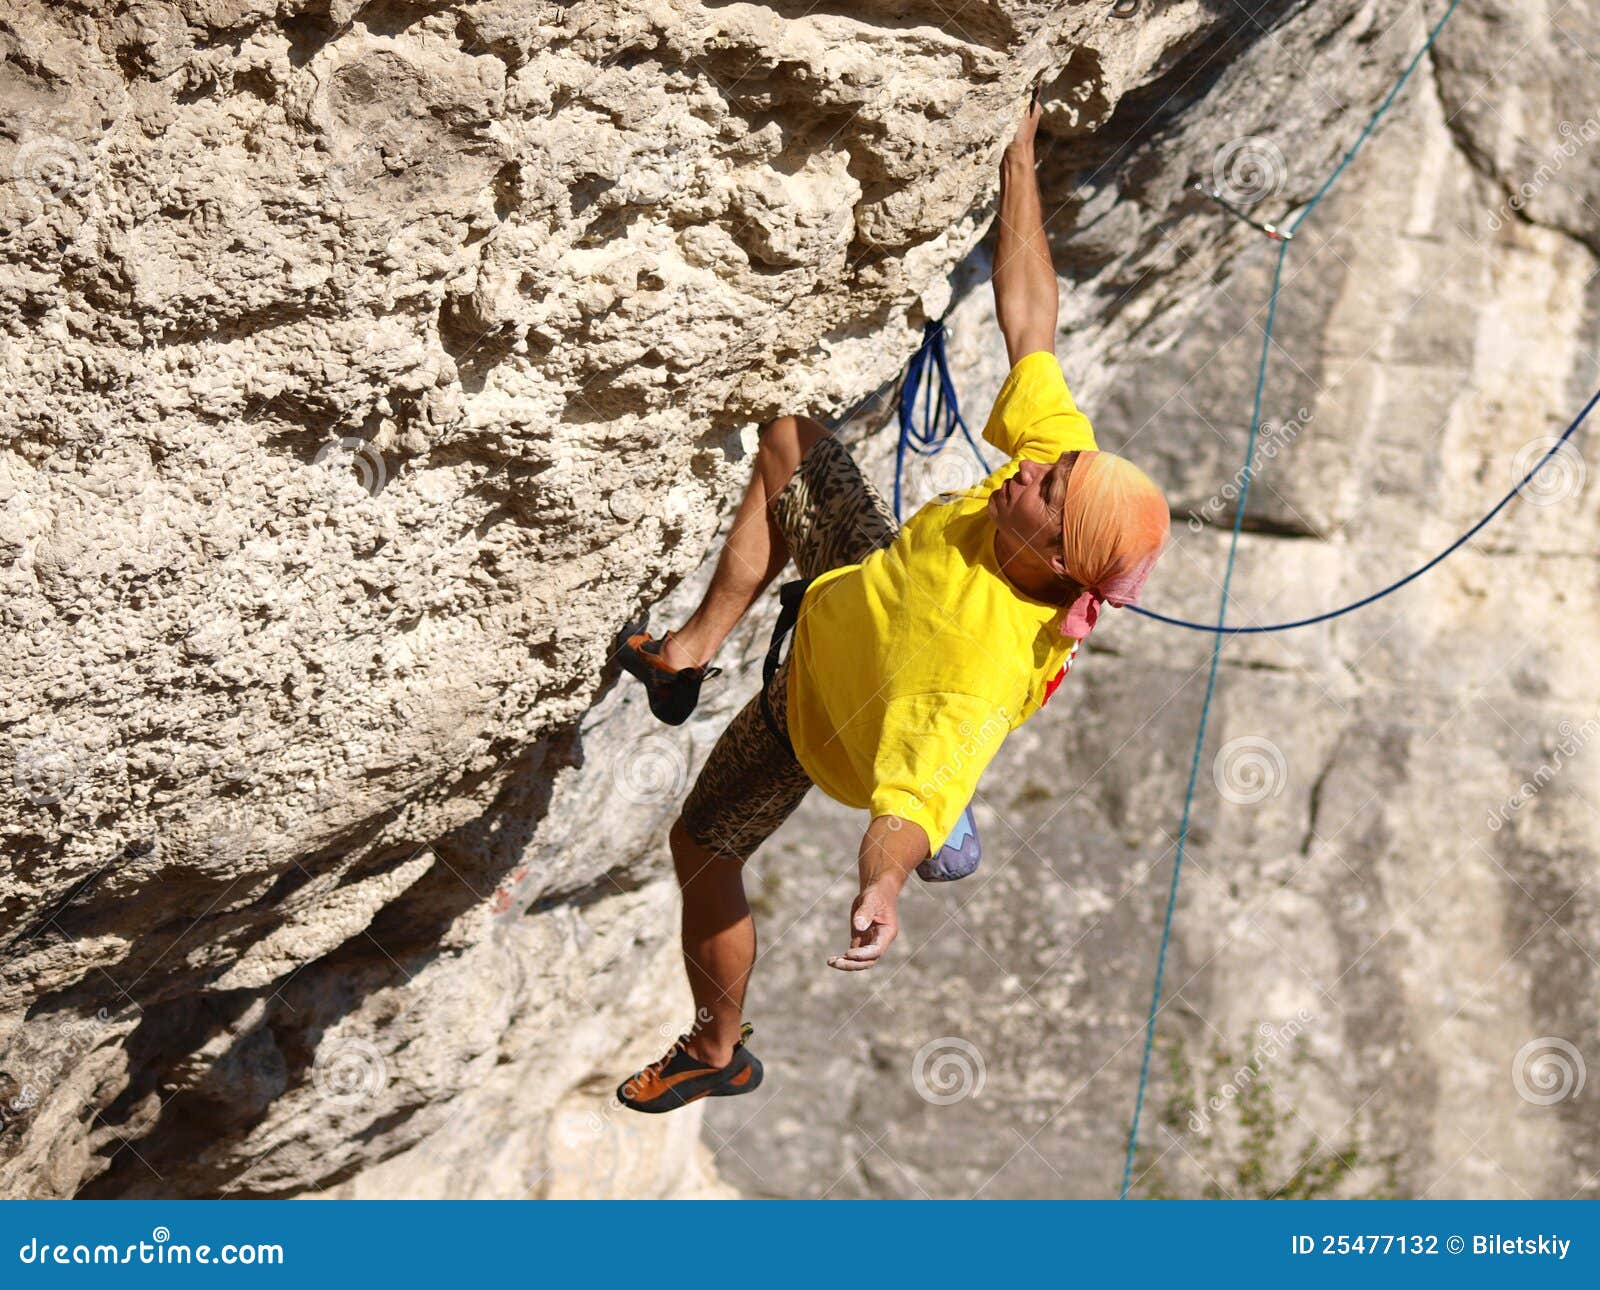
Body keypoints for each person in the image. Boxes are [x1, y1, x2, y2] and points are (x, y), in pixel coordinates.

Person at [612, 91, 1171, 1113]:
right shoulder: (1055, 483)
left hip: (823, 722)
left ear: (1056, 556)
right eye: (1047, 470)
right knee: (789, 440)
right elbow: (1031, 321)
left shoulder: (971, 664)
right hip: (861, 586)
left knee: (706, 849)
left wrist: (884, 883)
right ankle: (689, 654)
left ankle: (714, 1048)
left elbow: (896, 815)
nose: (1026, 471)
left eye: (1043, 490)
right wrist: (1017, 160)